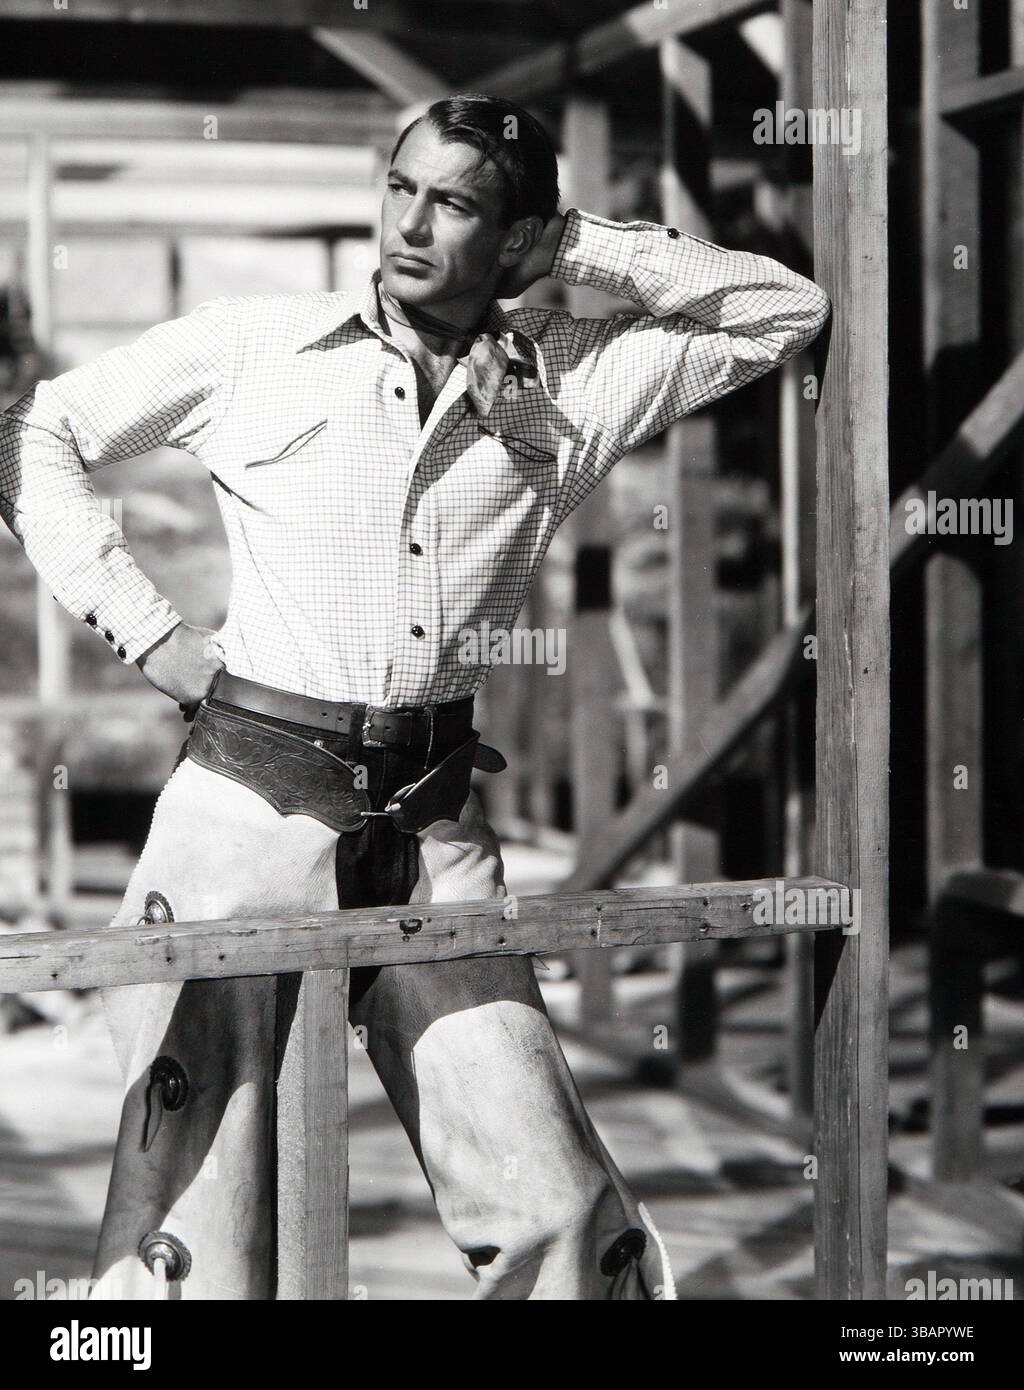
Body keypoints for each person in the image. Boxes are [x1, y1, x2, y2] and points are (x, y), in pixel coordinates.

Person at [0, 93, 830, 1300]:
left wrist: (583, 248)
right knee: (184, 1249)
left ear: (515, 235)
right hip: (247, 807)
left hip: (437, 826)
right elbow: (33, 430)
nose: (411, 224)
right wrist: (152, 634)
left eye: (456, 204)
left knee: (558, 1208)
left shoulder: (572, 384)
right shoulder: (256, 347)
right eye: (401, 188)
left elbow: (781, 312)